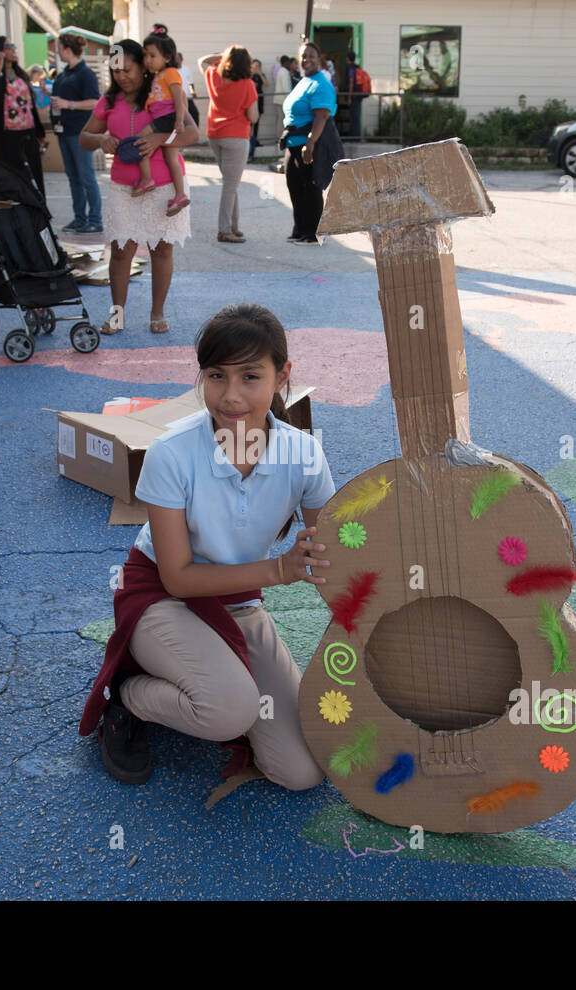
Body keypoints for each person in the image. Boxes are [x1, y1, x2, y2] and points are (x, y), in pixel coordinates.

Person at [79, 302, 336, 790]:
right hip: (163, 596)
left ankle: (197, 683)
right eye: (216, 375)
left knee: (301, 772)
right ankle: (129, 695)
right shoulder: (171, 453)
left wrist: (369, 625)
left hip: (238, 600)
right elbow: (178, 575)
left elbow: (329, 556)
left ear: (283, 376)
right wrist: (279, 572)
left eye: (250, 377)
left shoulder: (303, 452)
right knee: (229, 711)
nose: (231, 395)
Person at [78, 38, 200, 335]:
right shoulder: (108, 101)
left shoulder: (161, 94)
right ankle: (116, 315)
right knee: (121, 251)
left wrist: (160, 139)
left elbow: (194, 133)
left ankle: (157, 312)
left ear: (143, 67)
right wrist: (100, 140)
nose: (122, 76)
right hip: (124, 187)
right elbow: (84, 137)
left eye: (128, 69)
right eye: (116, 70)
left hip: (163, 186)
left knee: (161, 250)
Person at [199, 46, 258, 243]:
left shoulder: (213, 77)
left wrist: (223, 56)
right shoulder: (247, 84)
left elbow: (203, 61)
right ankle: (224, 230)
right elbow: (253, 116)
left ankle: (233, 226)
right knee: (230, 185)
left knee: (230, 183)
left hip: (215, 135)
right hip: (237, 137)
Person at [280, 41, 336, 245]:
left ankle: (312, 233)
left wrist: (310, 143)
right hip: (293, 142)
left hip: (310, 143)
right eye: (304, 56)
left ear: (319, 59)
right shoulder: (304, 81)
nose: (307, 60)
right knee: (295, 186)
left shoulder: (321, 84)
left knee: (310, 188)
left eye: (311, 56)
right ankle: (300, 229)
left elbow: (321, 116)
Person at [131, 30, 190, 216]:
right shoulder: (159, 75)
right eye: (145, 55)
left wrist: (179, 120)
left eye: (152, 55)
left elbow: (178, 98)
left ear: (167, 57)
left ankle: (147, 179)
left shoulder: (170, 73)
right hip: (165, 118)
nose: (147, 60)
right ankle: (180, 195)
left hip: (167, 118)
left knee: (140, 140)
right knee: (171, 157)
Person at [50, 32, 103, 233]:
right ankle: (79, 217)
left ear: (68, 50)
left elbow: (95, 101)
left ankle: (95, 219)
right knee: (73, 177)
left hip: (79, 131)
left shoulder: (85, 74)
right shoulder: (63, 74)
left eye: (60, 49)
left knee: (86, 175)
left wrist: (69, 104)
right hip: (63, 130)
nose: (58, 53)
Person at [0, 36, 47, 199]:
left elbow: (30, 103)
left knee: (31, 173)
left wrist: (39, 131)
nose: (13, 50)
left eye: (14, 46)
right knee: (8, 174)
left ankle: (36, 211)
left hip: (27, 132)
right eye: (8, 47)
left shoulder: (21, 74)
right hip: (5, 134)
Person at [343, 50, 369, 138]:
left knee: (354, 117)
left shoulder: (350, 68)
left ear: (348, 58)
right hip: (358, 95)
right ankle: (355, 136)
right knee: (356, 116)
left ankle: (354, 137)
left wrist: (349, 97)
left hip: (354, 96)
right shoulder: (357, 67)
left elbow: (351, 81)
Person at [248, 58, 267, 160]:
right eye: (254, 66)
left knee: (257, 122)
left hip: (260, 99)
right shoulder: (249, 76)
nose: (256, 68)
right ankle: (249, 140)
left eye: (258, 66)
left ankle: (255, 140)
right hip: (252, 99)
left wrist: (259, 74)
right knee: (250, 123)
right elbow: (250, 85)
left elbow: (266, 84)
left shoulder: (261, 75)